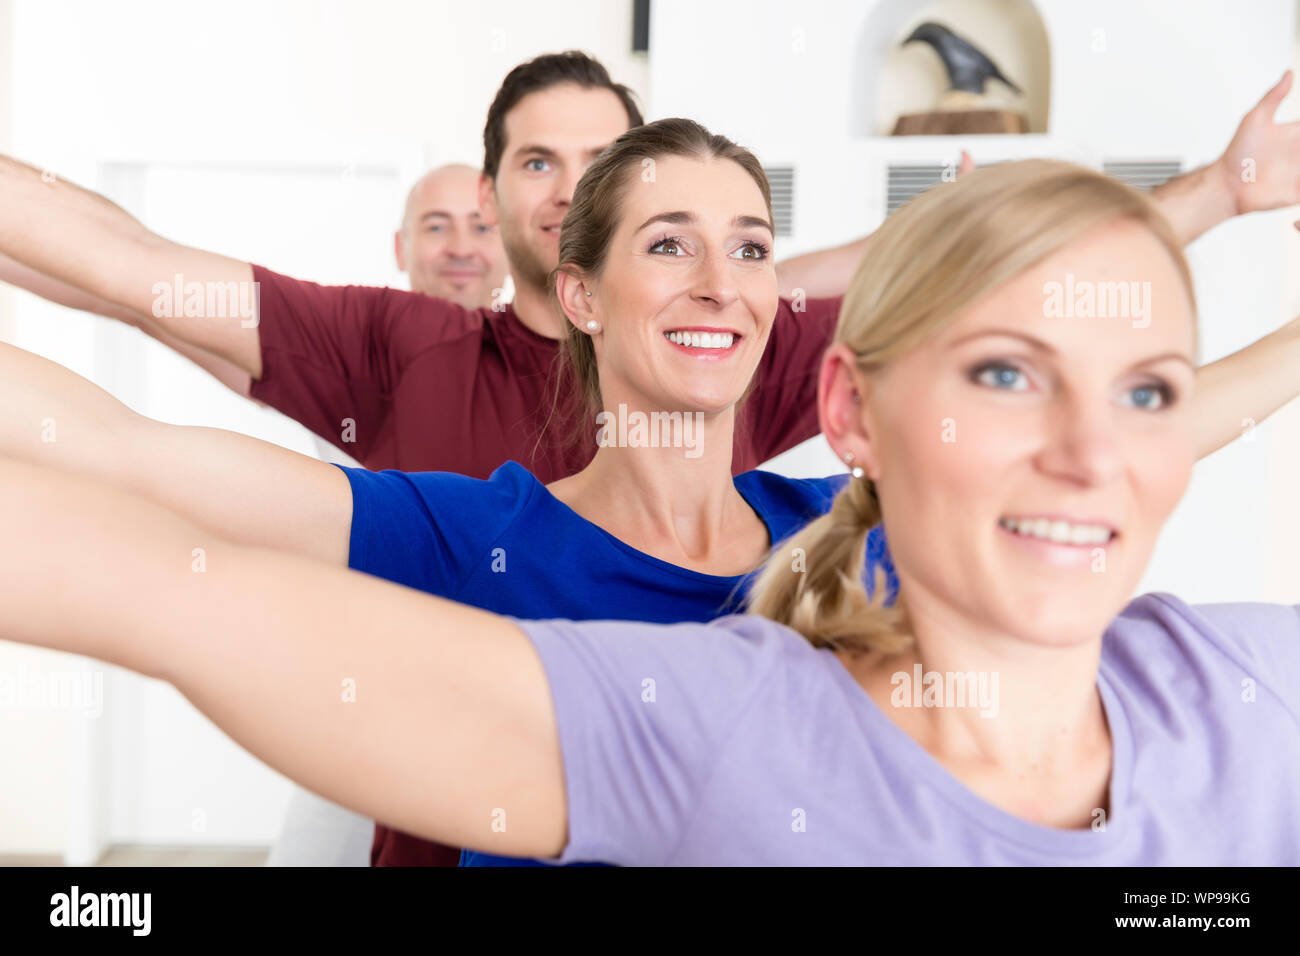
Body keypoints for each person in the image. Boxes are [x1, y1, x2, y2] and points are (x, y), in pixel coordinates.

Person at [2, 121, 1299, 862]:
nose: (720, 281)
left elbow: (1115, 392)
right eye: (667, 245)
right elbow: (124, 464)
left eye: (750, 249)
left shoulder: (860, 537)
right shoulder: (478, 533)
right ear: (578, 294)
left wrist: (1230, 196)